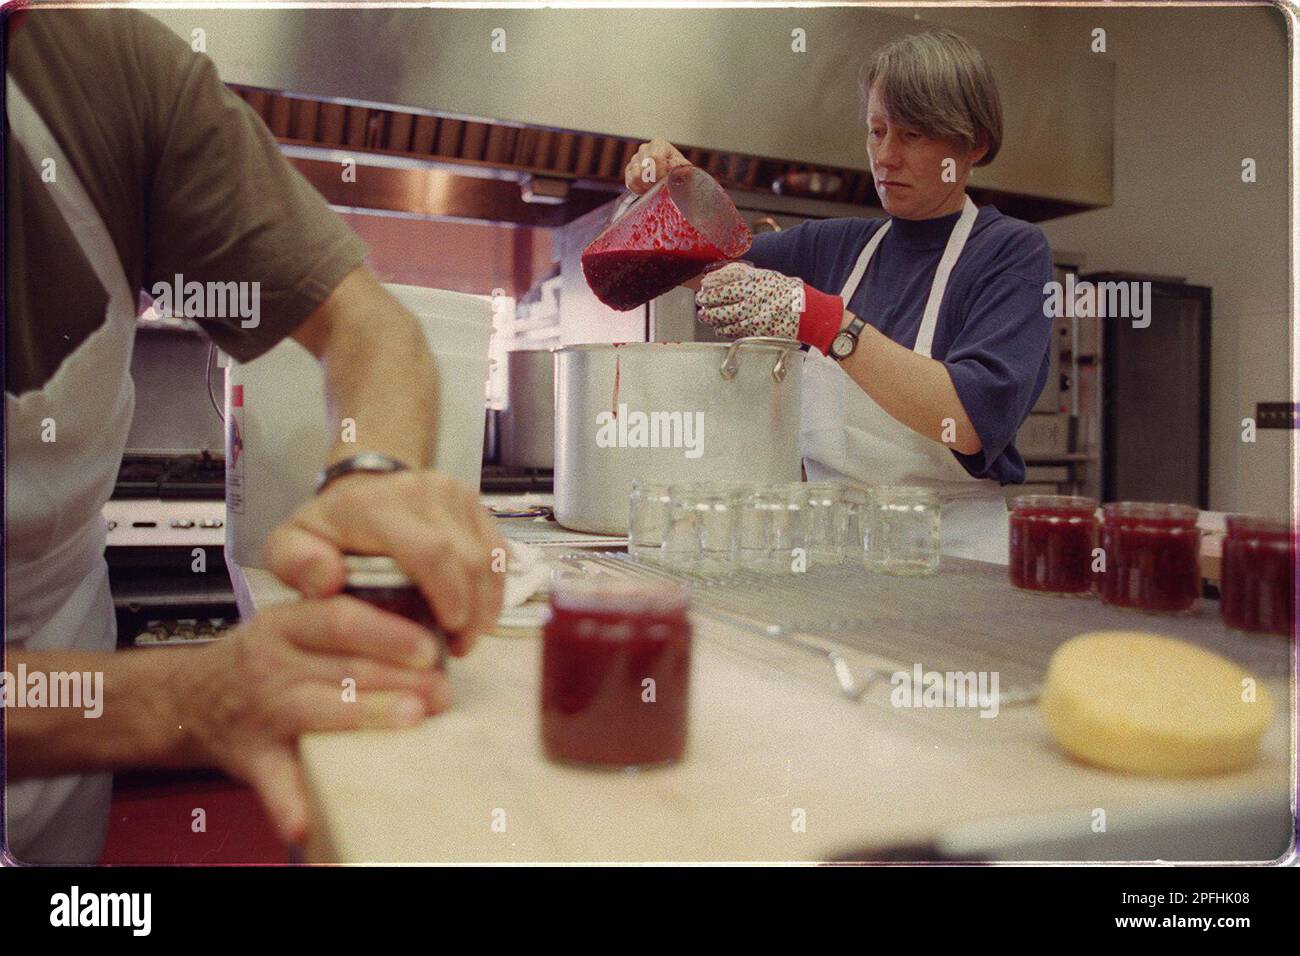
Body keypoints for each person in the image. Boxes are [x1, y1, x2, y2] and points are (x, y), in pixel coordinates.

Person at [4, 8, 505, 862]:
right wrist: (180, 698)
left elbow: (370, 328)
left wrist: (370, 476)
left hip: (60, 652)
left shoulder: (102, 74)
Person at [624, 30, 1055, 564]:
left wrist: (827, 323)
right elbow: (690, 263)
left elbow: (967, 422)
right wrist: (669, 190)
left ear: (975, 145)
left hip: (955, 558)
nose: (886, 157)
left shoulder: (1011, 253)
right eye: (877, 131)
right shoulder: (837, 246)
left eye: (913, 135)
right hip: (832, 554)